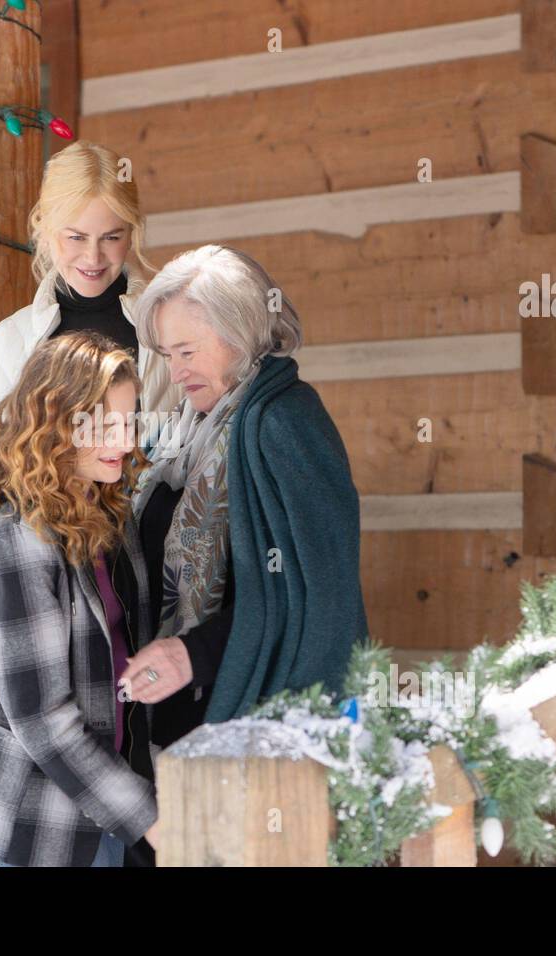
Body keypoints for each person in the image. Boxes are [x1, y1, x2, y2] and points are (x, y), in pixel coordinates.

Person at [0, 140, 180, 707]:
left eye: (112, 236)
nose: (94, 256)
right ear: (45, 229)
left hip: (154, 578)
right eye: (75, 236)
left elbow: (192, 461)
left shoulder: (164, 329)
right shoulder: (10, 343)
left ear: (134, 233)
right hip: (54, 588)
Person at [121, 242, 369, 786]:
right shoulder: (185, 432)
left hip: (243, 721)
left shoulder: (285, 423)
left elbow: (318, 592)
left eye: (187, 351)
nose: (176, 371)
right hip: (170, 720)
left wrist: (193, 654)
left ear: (237, 333)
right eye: (166, 355)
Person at [0, 332, 160, 867]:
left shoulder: (106, 514)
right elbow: (41, 720)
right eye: (103, 423)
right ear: (56, 423)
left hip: (107, 801)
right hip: (41, 827)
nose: (123, 441)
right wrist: (149, 819)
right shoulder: (20, 538)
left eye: (128, 421)